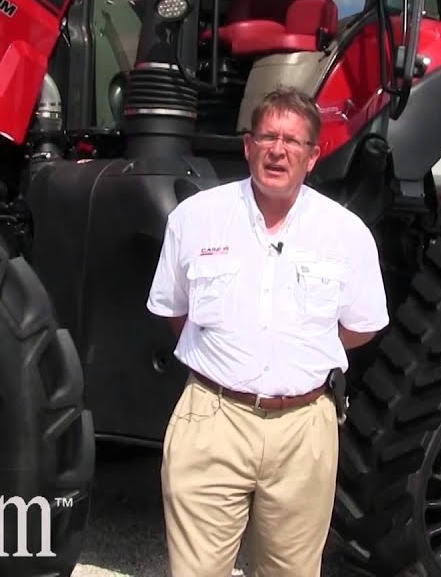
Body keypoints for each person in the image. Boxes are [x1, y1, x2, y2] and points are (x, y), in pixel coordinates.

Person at [146, 87, 390, 575]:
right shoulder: (195, 220)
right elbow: (175, 312)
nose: (278, 150)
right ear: (248, 146)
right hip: (212, 419)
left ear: (312, 156)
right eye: (268, 137)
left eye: (293, 142)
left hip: (303, 428)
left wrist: (296, 350)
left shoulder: (345, 233)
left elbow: (360, 328)